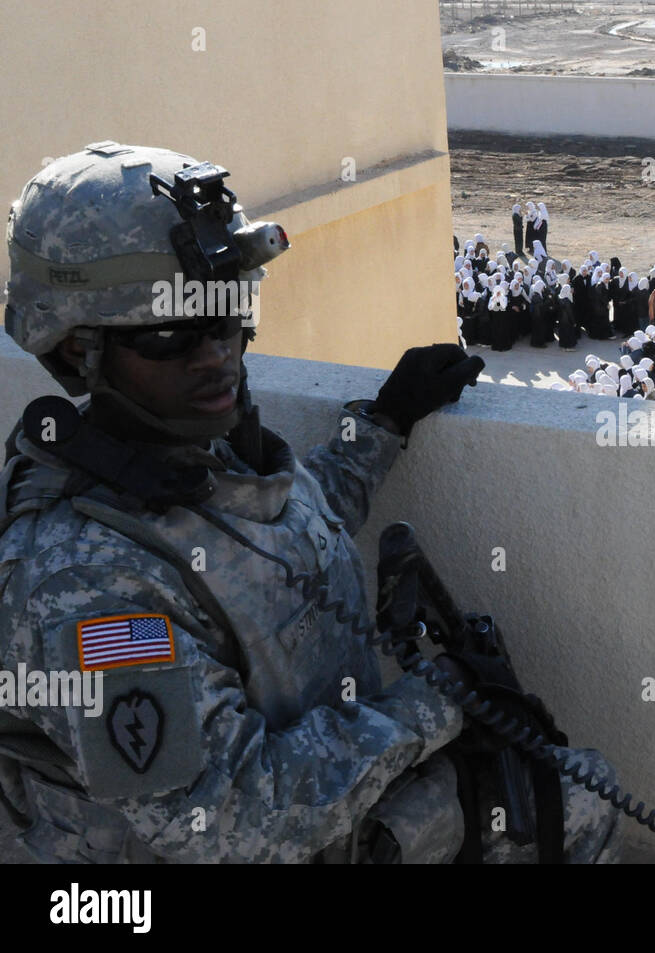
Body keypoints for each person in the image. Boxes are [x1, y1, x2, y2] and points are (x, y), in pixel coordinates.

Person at [0, 144, 622, 863]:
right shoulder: (83, 583)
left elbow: (275, 533)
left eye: (228, 316)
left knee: (565, 789)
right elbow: (233, 818)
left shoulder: (188, 448)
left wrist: (383, 422)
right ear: (78, 351)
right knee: (575, 806)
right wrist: (437, 703)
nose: (217, 357)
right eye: (170, 334)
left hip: (329, 812)